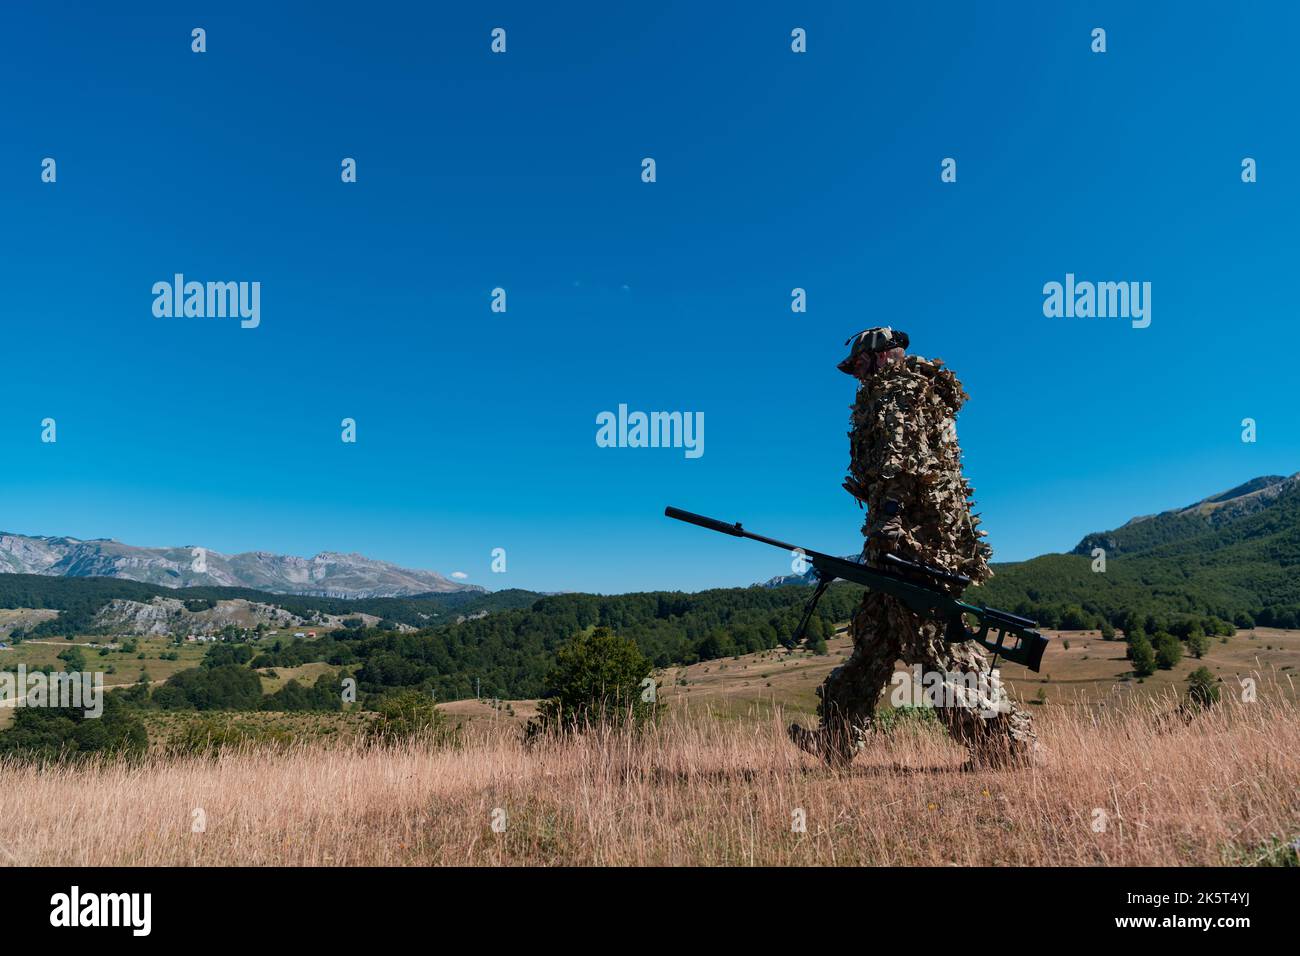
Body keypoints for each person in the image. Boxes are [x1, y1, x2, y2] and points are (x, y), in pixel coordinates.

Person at [788, 327, 1036, 768]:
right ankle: (837, 739)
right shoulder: (913, 388)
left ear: (882, 357)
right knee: (873, 641)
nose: (857, 377)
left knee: (934, 650)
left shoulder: (899, 388)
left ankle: (1006, 748)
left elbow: (904, 458)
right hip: (906, 543)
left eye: (860, 366)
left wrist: (889, 514)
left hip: (915, 548)